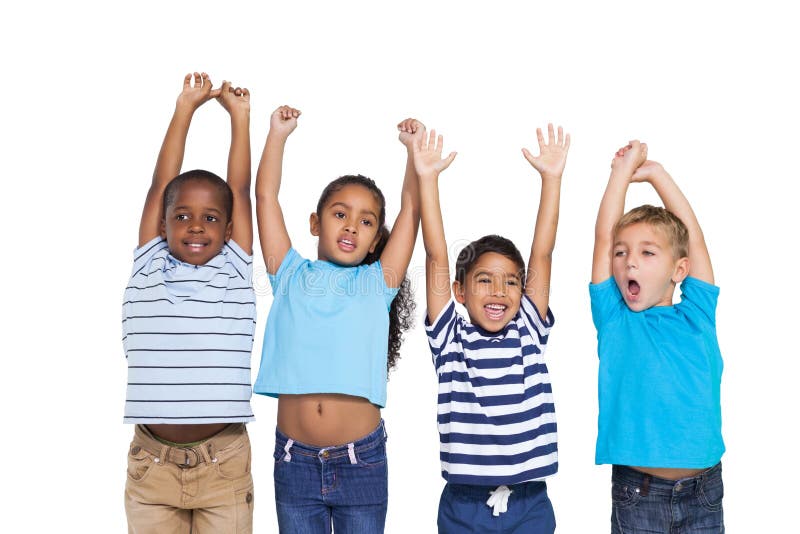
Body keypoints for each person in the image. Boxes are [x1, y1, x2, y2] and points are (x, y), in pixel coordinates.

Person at [253, 107, 420, 532]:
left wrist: (412, 154)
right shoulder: (289, 274)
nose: (351, 226)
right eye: (340, 214)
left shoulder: (378, 281)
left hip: (360, 460)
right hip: (294, 461)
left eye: (366, 222)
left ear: (375, 240)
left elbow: (411, 211)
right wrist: (278, 136)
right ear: (315, 222)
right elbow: (266, 197)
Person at [122, 72, 256, 533]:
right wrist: (186, 109)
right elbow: (162, 183)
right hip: (151, 464)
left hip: (224, 461)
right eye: (182, 216)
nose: (195, 226)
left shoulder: (234, 269)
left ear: (229, 228)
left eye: (210, 218)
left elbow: (239, 190)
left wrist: (240, 119)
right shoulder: (149, 266)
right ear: (163, 225)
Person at [420, 124, 569, 533]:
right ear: (460, 291)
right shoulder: (451, 339)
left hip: (528, 501)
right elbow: (436, 256)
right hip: (463, 505)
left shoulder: (528, 330)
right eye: (484, 279)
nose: (499, 290)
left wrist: (551, 179)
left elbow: (543, 251)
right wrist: (427, 179)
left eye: (511, 281)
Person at [590, 140, 725, 533]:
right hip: (639, 493)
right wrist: (620, 175)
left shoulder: (698, 314)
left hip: (704, 491)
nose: (630, 260)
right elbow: (603, 237)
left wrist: (657, 175)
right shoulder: (615, 319)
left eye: (648, 253)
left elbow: (693, 239)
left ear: (679, 269)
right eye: (623, 253)